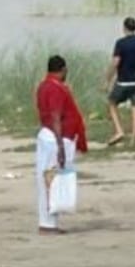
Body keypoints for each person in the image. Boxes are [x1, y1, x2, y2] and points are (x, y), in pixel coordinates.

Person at [35, 55, 88, 235]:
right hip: (55, 138)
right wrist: (60, 147)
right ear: (63, 69)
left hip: (47, 135)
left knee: (48, 179)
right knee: (52, 180)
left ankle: (48, 222)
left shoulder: (44, 86)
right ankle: (48, 224)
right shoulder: (55, 89)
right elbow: (56, 116)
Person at [104, 17, 135, 147]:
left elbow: (115, 63)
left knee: (112, 102)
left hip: (124, 82)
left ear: (124, 28)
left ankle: (119, 131)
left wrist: (108, 79)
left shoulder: (120, 43)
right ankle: (133, 140)